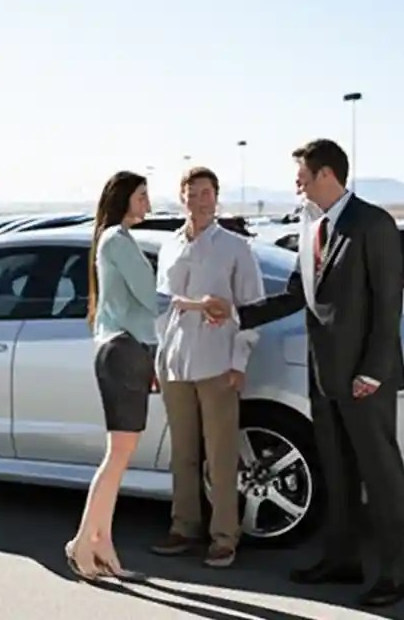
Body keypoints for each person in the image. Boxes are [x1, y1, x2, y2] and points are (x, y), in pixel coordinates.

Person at [206, 138, 404, 608]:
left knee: (381, 477)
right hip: (324, 377)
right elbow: (300, 294)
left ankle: (398, 575)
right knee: (337, 473)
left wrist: (374, 371)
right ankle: (342, 561)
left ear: (325, 174)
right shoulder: (308, 225)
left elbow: (388, 304)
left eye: (301, 174)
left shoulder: (372, 223)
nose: (295, 183)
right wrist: (238, 314)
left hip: (365, 379)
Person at [149, 167, 265, 568]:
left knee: (220, 453)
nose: (199, 201)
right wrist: (158, 355)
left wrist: (239, 362)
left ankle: (224, 536)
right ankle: (184, 527)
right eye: (192, 193)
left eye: (206, 193)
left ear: (216, 198)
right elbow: (161, 307)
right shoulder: (170, 246)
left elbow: (252, 312)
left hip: (217, 363)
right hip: (175, 363)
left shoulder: (235, 247)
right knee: (182, 452)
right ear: (182, 197)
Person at [65, 170, 158, 581]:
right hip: (122, 352)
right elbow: (149, 292)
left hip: (125, 350)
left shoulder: (116, 239)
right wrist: (195, 303)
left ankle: (102, 540)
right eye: (141, 196)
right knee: (117, 455)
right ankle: (83, 542)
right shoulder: (117, 241)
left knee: (120, 457)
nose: (148, 205)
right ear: (123, 197)